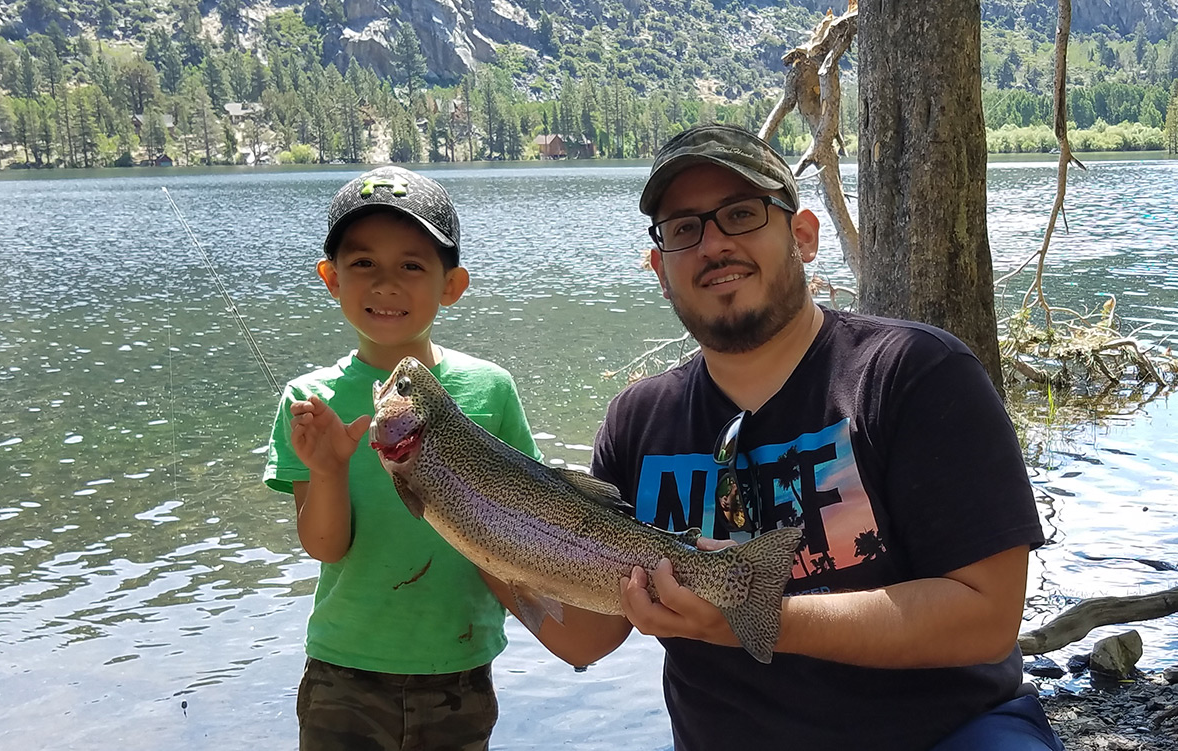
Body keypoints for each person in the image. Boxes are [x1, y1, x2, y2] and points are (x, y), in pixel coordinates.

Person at [549, 124, 1064, 750]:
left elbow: (986, 616)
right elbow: (586, 637)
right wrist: (453, 499)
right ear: (661, 268)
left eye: (741, 214)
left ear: (803, 236)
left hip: (948, 734)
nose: (713, 244)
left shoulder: (912, 374)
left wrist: (754, 617)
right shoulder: (637, 421)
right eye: (684, 228)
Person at [263, 166, 544, 751]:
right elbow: (324, 547)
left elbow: (530, 519)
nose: (385, 284)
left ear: (452, 285)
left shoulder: (490, 389)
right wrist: (328, 470)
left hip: (458, 664)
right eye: (363, 263)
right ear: (331, 278)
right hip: (345, 666)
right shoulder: (307, 401)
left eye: (411, 265)